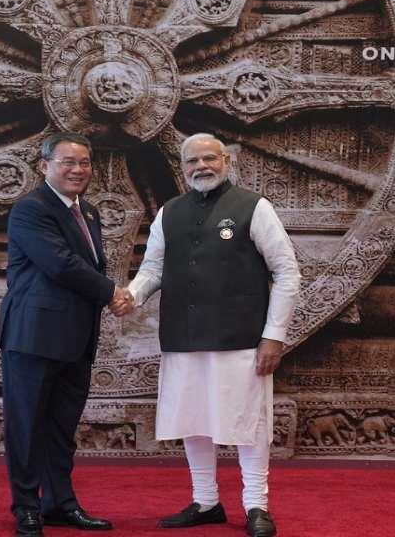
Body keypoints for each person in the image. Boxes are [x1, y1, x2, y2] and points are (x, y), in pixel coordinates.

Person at [112, 133, 301, 537]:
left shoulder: (254, 207)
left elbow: (287, 272)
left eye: (209, 158)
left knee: (249, 423)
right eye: (192, 161)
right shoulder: (169, 212)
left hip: (242, 338)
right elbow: (153, 269)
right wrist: (133, 294)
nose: (201, 167)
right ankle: (205, 501)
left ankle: (256, 505)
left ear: (226, 161)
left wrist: (274, 336)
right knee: (193, 419)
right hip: (182, 336)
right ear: (183, 168)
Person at [0, 132, 126, 536]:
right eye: (67, 161)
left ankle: (60, 503)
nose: (77, 169)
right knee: (27, 425)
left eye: (84, 162)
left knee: (61, 429)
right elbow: (61, 264)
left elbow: (85, 265)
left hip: (76, 338)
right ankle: (26, 507)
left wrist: (108, 294)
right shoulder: (30, 209)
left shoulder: (87, 212)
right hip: (33, 336)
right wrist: (111, 293)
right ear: (44, 166)